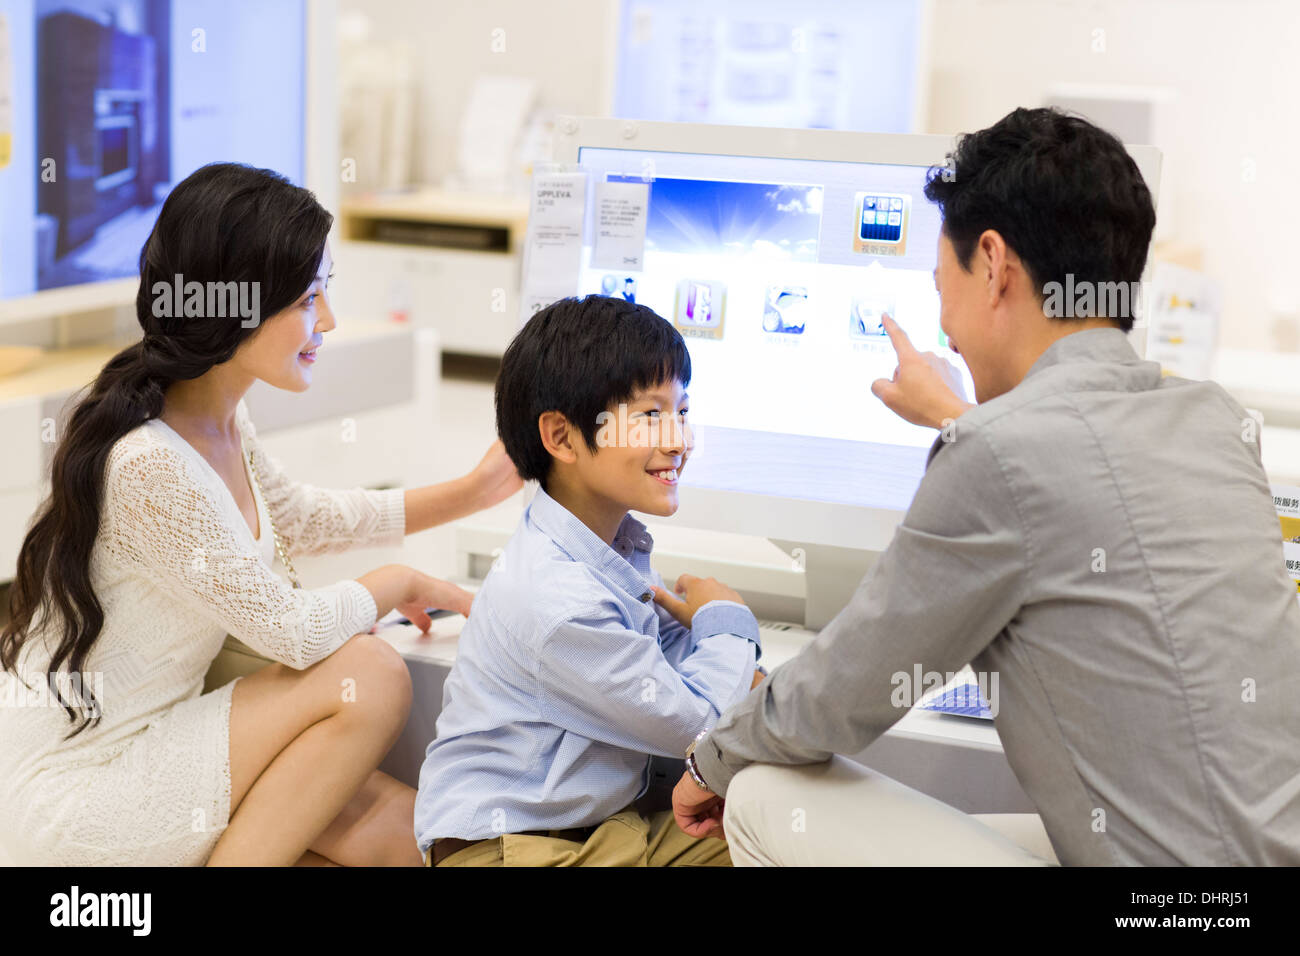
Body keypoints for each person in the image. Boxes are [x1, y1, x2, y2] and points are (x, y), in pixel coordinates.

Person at [670, 107, 1300, 866]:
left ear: (995, 264)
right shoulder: (1214, 421)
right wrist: (958, 418)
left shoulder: (998, 457)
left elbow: (840, 696)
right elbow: (1073, 474)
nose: (947, 328)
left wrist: (712, 757)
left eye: (943, 285)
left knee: (766, 789)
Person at [0, 163, 522, 867]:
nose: (328, 321)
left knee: (399, 835)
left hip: (148, 747)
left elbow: (298, 516)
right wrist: (397, 581)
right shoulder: (149, 462)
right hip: (80, 801)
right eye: (309, 299)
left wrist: (473, 491)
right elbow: (293, 631)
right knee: (368, 674)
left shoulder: (211, 415)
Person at [415, 295, 763, 867]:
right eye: (651, 414)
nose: (680, 439)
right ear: (562, 437)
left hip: (603, 831)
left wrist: (723, 652)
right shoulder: (555, 599)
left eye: (681, 410)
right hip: (511, 853)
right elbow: (700, 727)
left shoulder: (607, 544)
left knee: (778, 829)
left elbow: (660, 665)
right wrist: (728, 621)